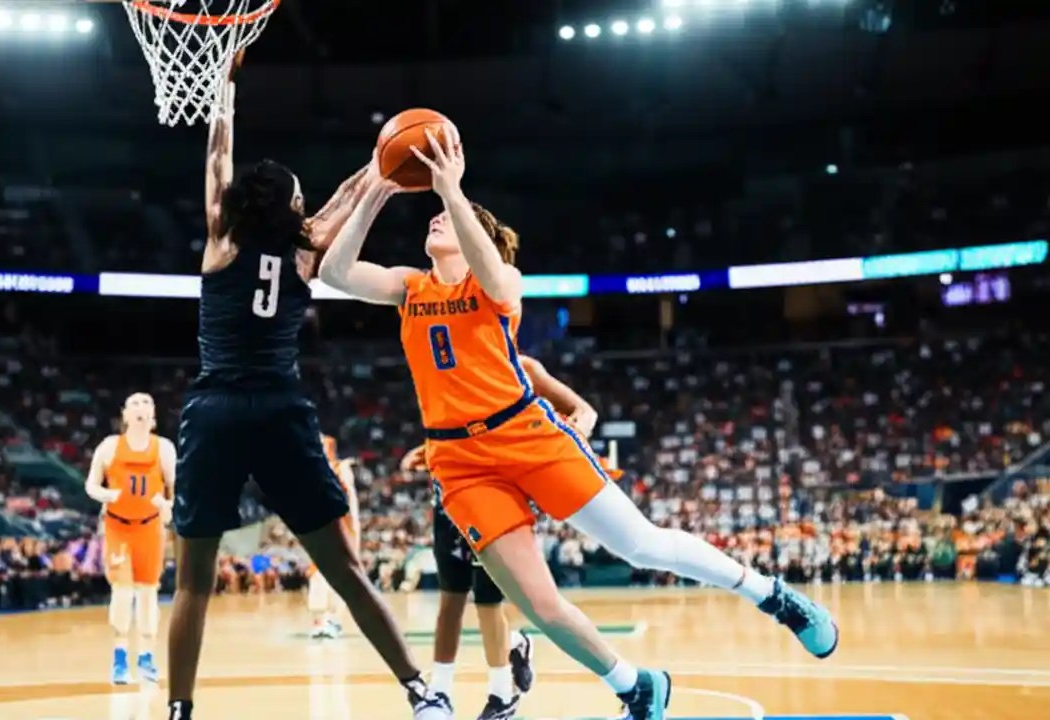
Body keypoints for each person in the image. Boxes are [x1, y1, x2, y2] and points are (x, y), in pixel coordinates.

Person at [318, 126, 839, 720]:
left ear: (477, 234)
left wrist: (453, 193)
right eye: (434, 215)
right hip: (459, 464)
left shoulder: (500, 284)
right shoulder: (407, 288)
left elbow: (492, 275)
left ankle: (772, 596)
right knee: (539, 604)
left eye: (449, 219)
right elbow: (334, 273)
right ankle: (635, 686)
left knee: (640, 544)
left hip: (526, 434)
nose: (435, 219)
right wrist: (379, 190)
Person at [166, 55, 450, 720]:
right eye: (299, 197)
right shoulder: (306, 249)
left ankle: (180, 709)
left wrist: (225, 92)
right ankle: (418, 691)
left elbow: (216, 158)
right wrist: (383, 162)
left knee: (193, 585)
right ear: (292, 206)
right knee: (345, 569)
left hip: (213, 411)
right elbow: (346, 200)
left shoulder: (222, 240)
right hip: (279, 411)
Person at [404, 353, 616, 720]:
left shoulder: (524, 368)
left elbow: (585, 413)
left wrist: (563, 443)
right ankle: (440, 691)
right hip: (451, 495)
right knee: (451, 598)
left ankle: (502, 695)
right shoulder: (441, 364)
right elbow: (457, 430)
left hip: (499, 497)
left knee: (488, 600)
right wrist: (424, 452)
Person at [84, 392, 174, 685]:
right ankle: (120, 656)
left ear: (153, 416)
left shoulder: (164, 449)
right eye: (134, 403)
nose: (141, 407)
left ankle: (147, 656)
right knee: (122, 592)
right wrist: (107, 495)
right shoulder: (110, 447)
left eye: (147, 403)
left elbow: (175, 491)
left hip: (150, 527)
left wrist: (166, 507)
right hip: (118, 527)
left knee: (148, 592)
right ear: (125, 415)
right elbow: (91, 485)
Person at [307, 434, 361, 639]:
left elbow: (345, 500)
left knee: (340, 576)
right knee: (317, 575)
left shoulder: (340, 469)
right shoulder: (311, 470)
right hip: (319, 528)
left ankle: (332, 620)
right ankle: (319, 620)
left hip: (342, 528)